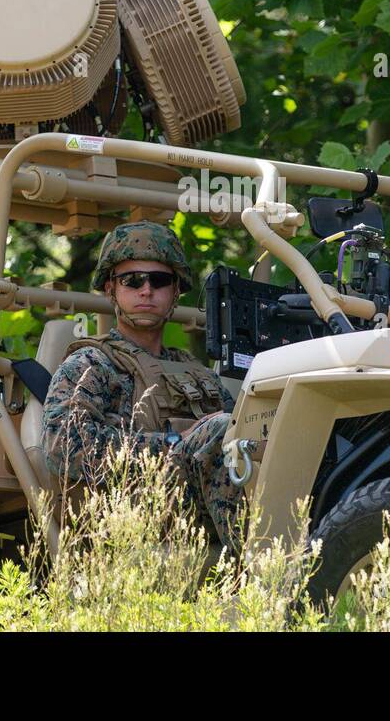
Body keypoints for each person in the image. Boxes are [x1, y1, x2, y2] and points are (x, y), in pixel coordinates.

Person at [42, 221, 243, 548]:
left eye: (160, 280)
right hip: (133, 514)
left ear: (176, 291)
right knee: (221, 431)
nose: (146, 290)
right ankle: (263, 571)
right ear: (111, 289)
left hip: (204, 513)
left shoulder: (200, 375)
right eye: (132, 280)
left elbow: (243, 439)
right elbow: (62, 448)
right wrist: (174, 443)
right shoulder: (92, 364)